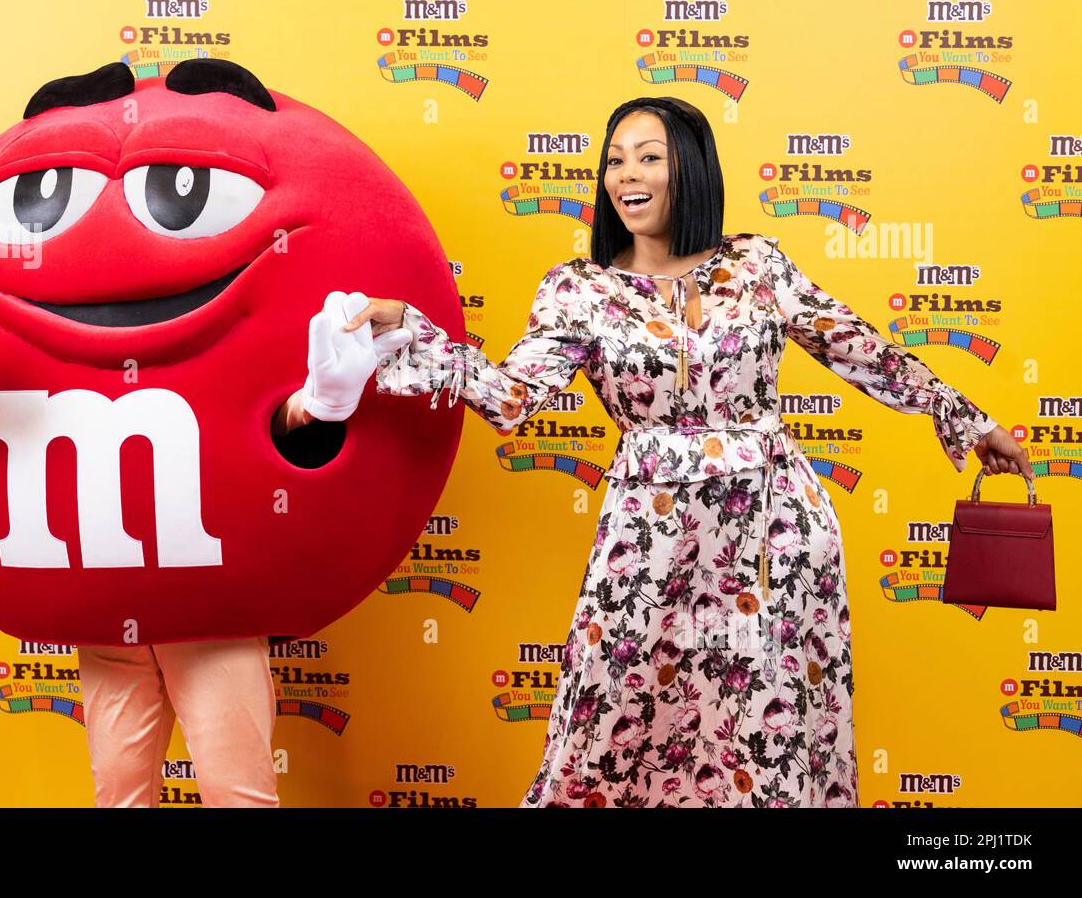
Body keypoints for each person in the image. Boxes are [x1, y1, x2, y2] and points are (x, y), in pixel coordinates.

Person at [329, 96, 1032, 807]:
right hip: (649, 536)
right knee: (611, 717)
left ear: (688, 168)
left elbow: (859, 346)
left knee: (766, 725)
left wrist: (968, 421)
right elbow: (513, 399)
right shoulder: (580, 290)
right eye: (614, 159)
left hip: (773, 531)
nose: (625, 175)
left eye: (648, 156)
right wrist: (414, 332)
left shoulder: (756, 265)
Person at [0, 290, 393, 807]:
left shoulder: (219, 321)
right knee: (120, 794)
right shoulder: (50, 319)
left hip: (210, 612)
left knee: (239, 795)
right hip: (106, 608)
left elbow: (245, 422)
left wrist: (318, 405)